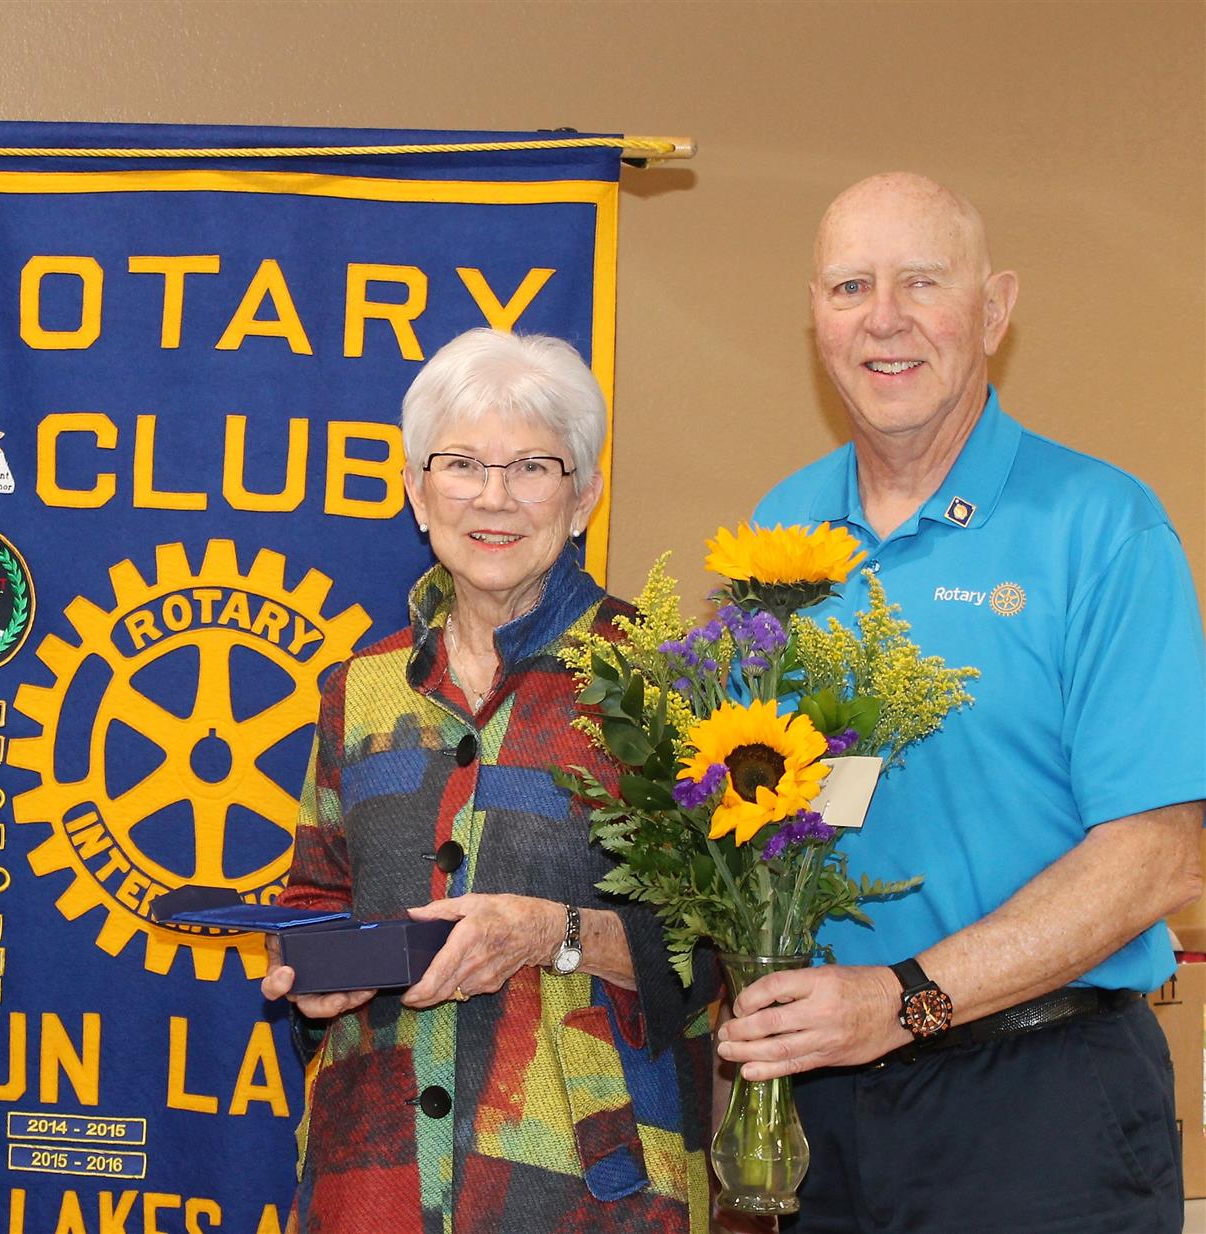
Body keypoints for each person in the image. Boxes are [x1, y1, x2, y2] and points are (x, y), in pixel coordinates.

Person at [717, 172, 1206, 1232]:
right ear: (814, 317)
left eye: (921, 282)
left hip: (1042, 1104)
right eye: (850, 286)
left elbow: (1161, 853)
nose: (882, 319)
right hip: (819, 1112)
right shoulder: (778, 530)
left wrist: (904, 1000)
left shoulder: (1101, 528)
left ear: (992, 310)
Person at [263, 328, 717, 1233]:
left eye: (532, 468)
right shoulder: (358, 687)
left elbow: (719, 951)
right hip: (372, 1185)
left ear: (583, 497)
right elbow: (317, 898)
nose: (494, 496)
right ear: (416, 491)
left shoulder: (668, 683)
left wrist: (555, 933)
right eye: (462, 464)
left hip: (593, 1194)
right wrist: (312, 977)